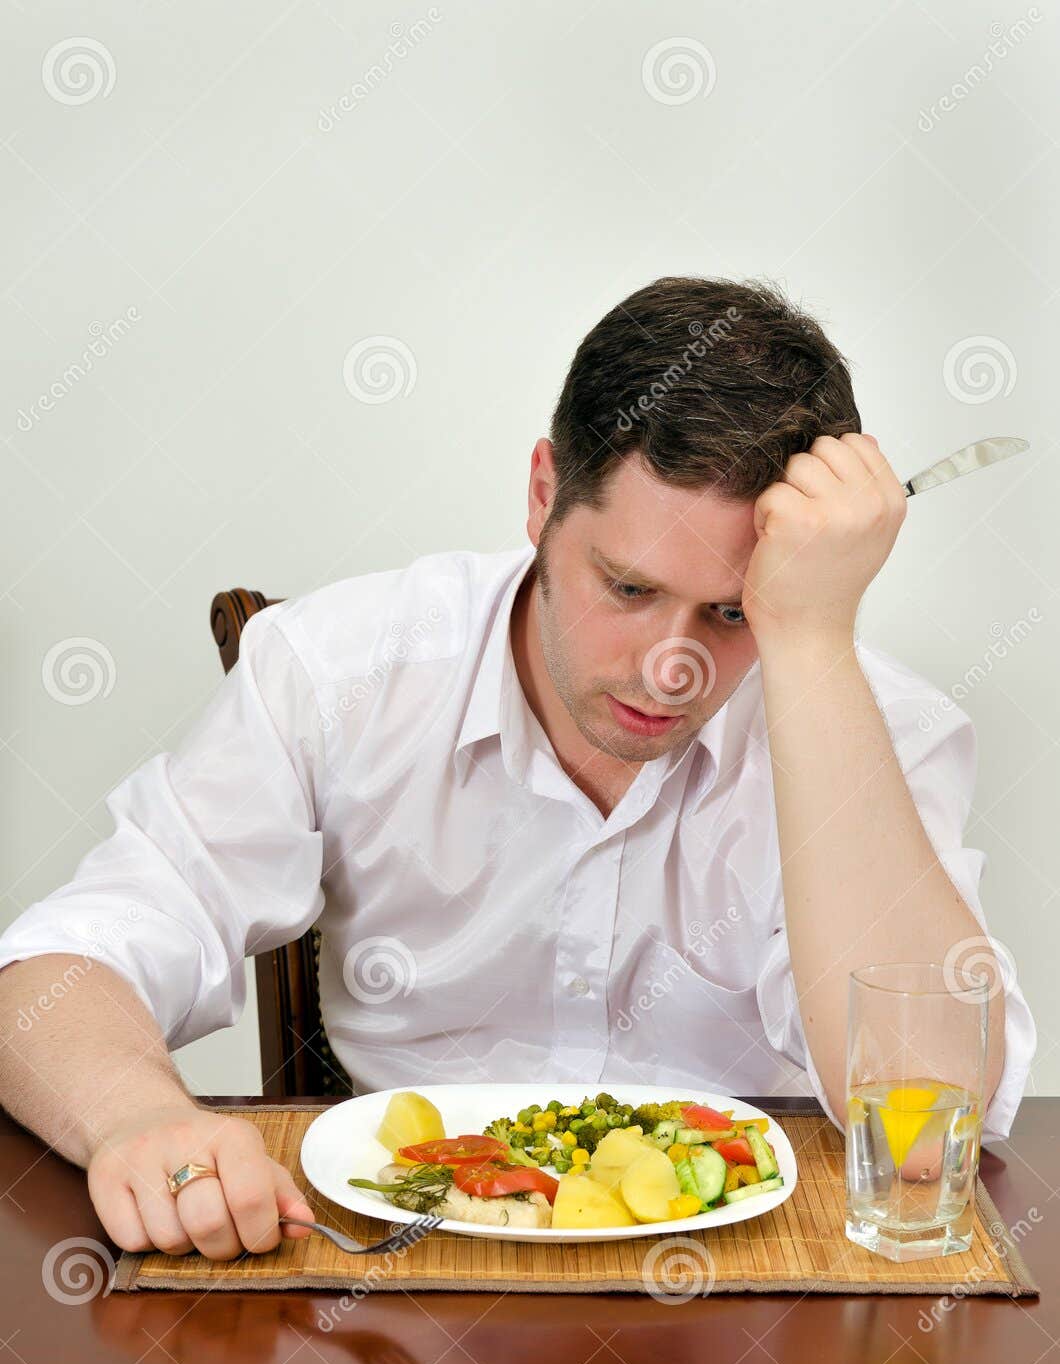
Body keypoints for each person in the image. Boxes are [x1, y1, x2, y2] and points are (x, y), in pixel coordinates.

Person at [0, 276, 1036, 1261]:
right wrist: (138, 1119)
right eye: (626, 587)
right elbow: (52, 973)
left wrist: (806, 640)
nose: (668, 668)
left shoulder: (869, 724)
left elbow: (917, 1135)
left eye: (730, 611)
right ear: (542, 496)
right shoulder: (341, 673)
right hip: (400, 1306)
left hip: (746, 1330)